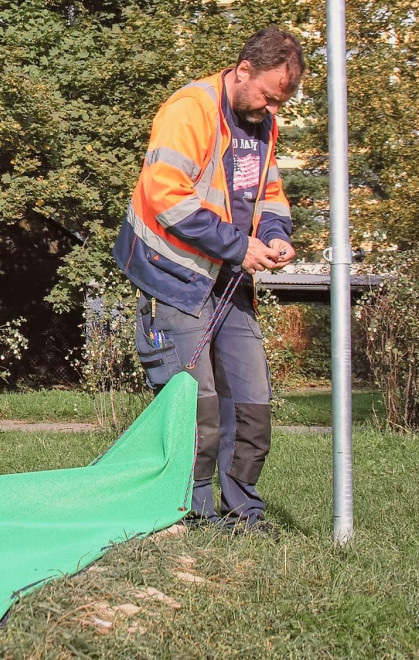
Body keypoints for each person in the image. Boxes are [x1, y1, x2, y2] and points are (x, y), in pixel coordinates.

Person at [112, 26, 305, 533]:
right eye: (265, 95)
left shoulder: (263, 122)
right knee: (195, 406)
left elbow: (269, 192)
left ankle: (243, 512)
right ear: (243, 70)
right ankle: (190, 511)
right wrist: (241, 246)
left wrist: (277, 234)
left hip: (229, 277)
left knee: (252, 400)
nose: (268, 108)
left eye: (277, 101)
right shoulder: (189, 109)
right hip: (174, 277)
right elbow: (167, 198)